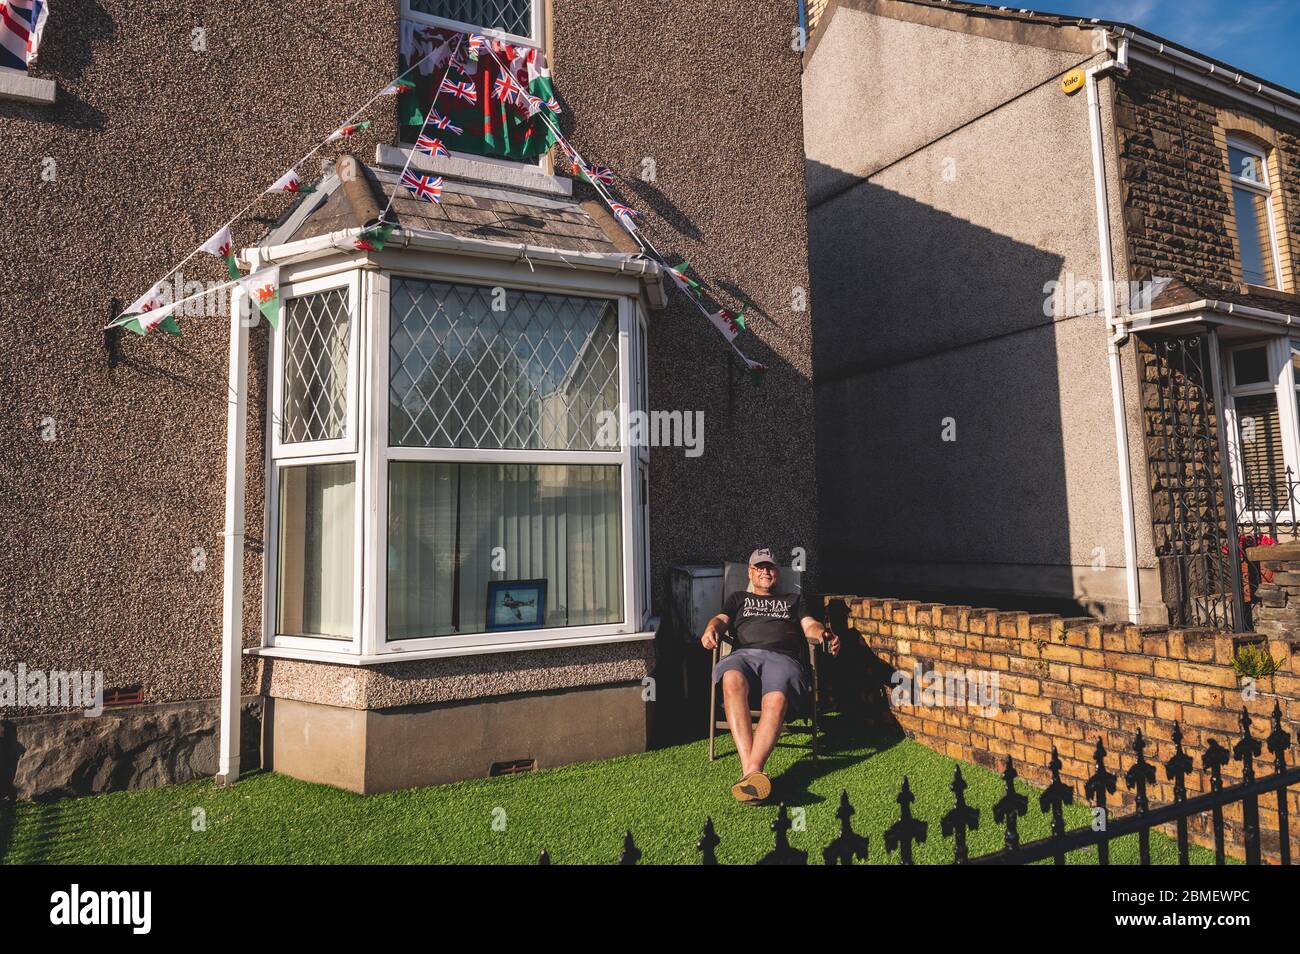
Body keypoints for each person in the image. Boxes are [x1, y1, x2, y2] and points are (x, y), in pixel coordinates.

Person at [700, 548, 839, 803]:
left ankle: (749, 775)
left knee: (776, 699)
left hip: (782, 659)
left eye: (770, 567)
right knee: (731, 678)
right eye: (760, 567)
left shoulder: (793, 599)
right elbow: (719, 620)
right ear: (750, 572)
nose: (765, 571)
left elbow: (810, 625)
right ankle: (752, 772)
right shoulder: (738, 598)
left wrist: (822, 634)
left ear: (777, 573)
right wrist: (711, 630)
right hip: (744, 656)